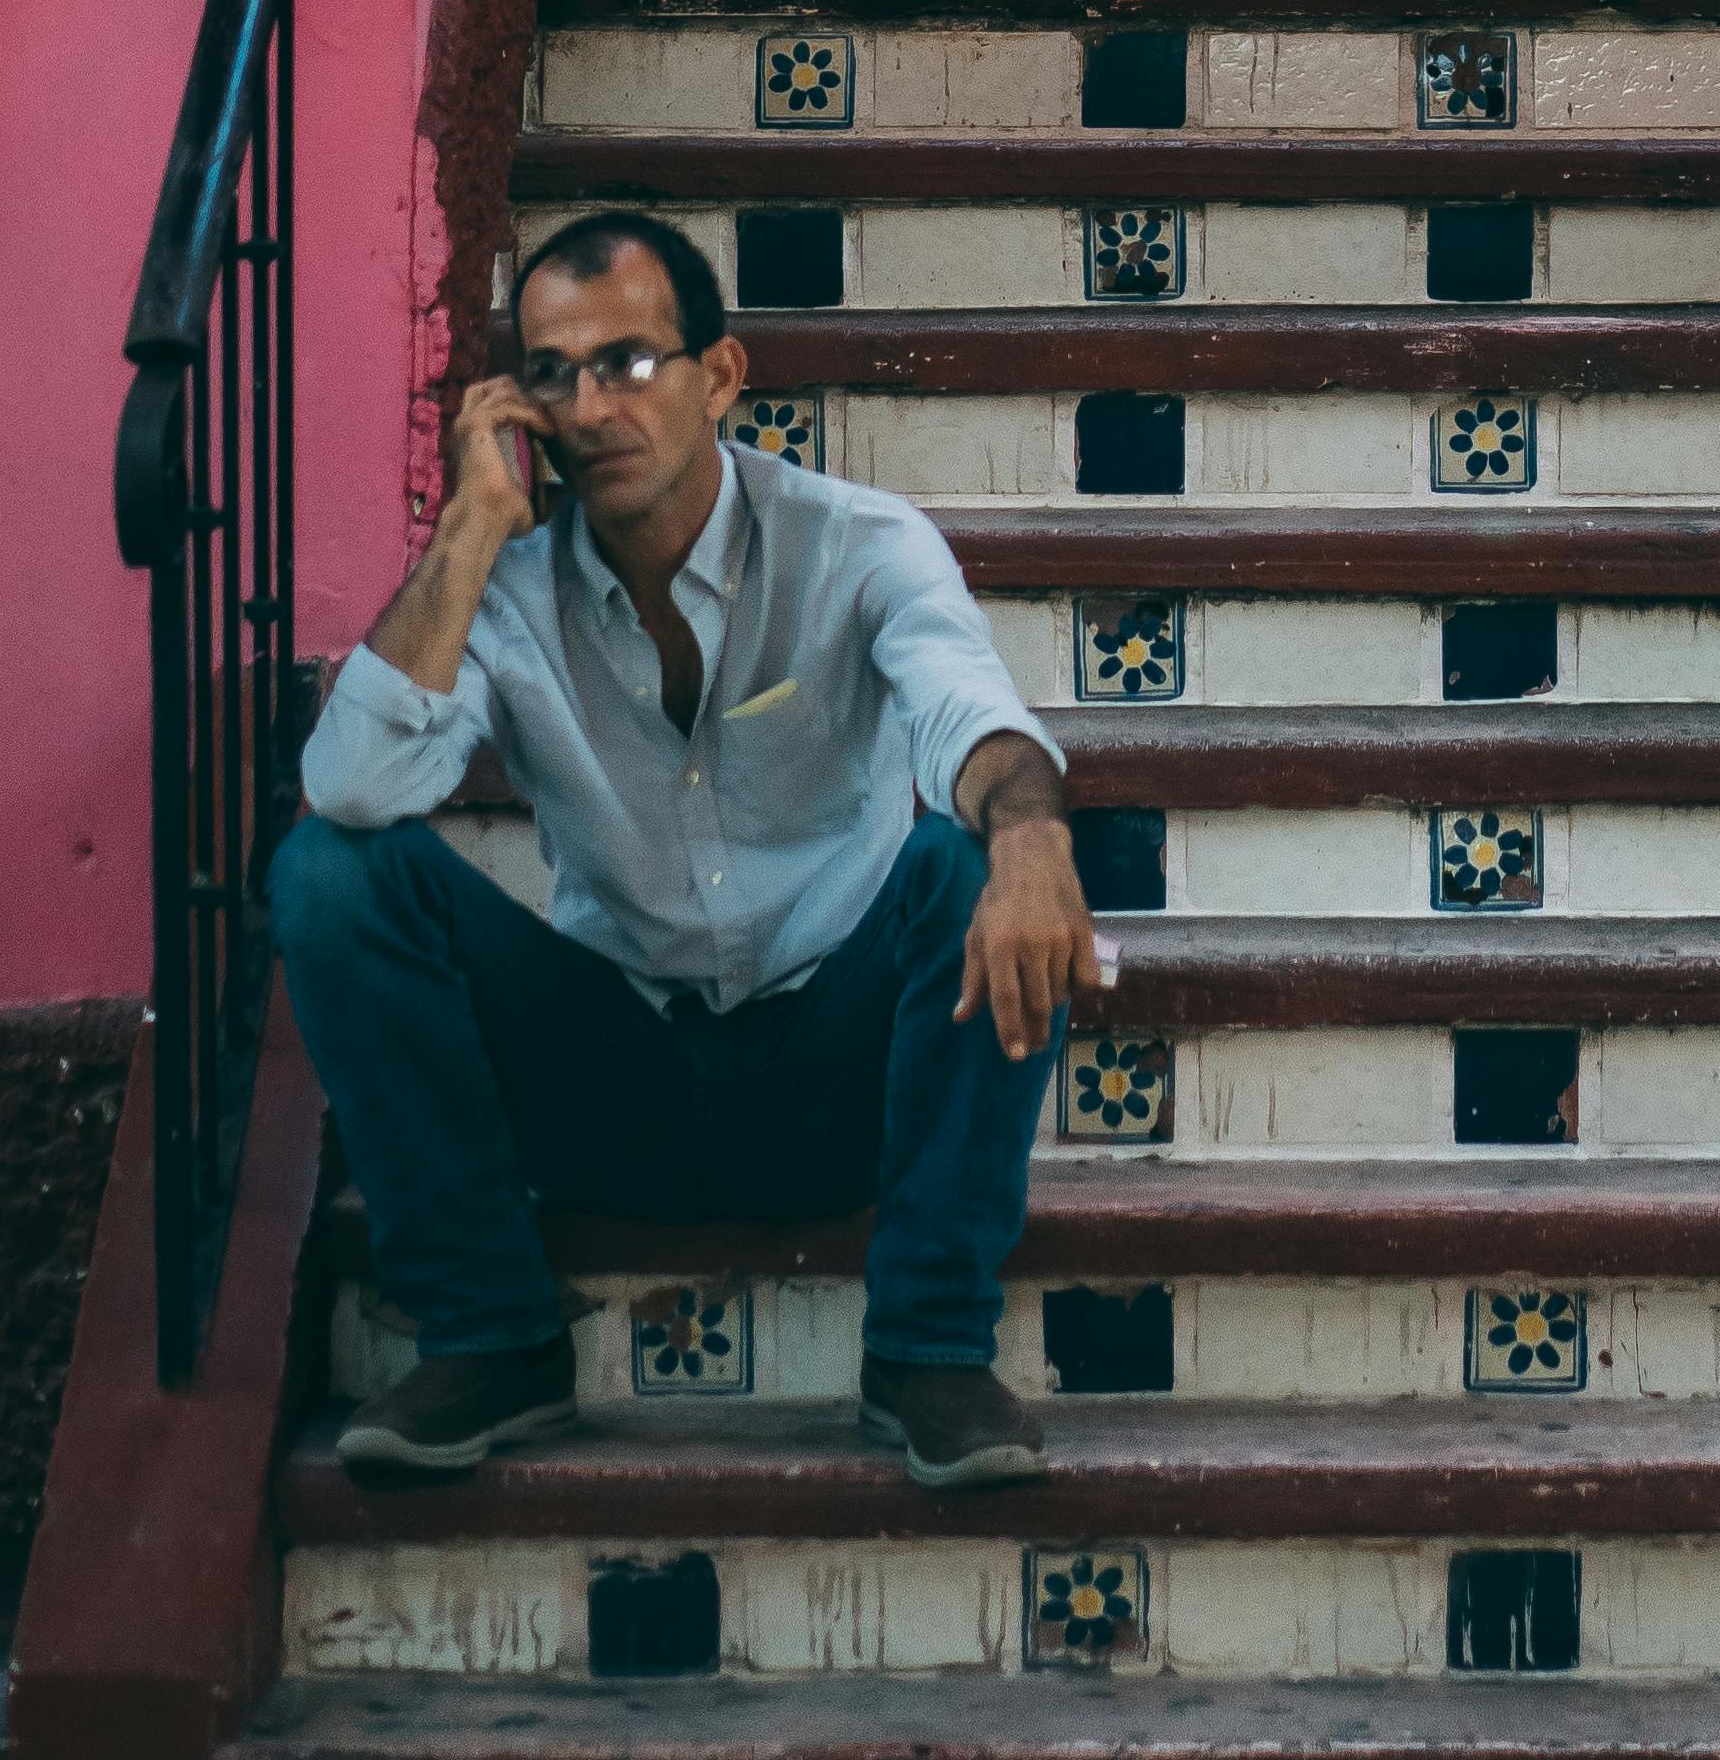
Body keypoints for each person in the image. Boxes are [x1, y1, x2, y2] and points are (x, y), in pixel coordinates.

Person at [271, 207, 1100, 1485]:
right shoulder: (501, 591)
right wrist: (469, 527)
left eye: (629, 361)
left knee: (961, 859)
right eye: (553, 371)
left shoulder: (858, 545)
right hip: (615, 1074)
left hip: (836, 1073)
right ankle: (495, 1334)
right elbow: (352, 787)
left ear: (719, 374)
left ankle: (927, 1350)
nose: (592, 403)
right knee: (329, 875)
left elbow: (965, 710)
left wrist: (1032, 833)